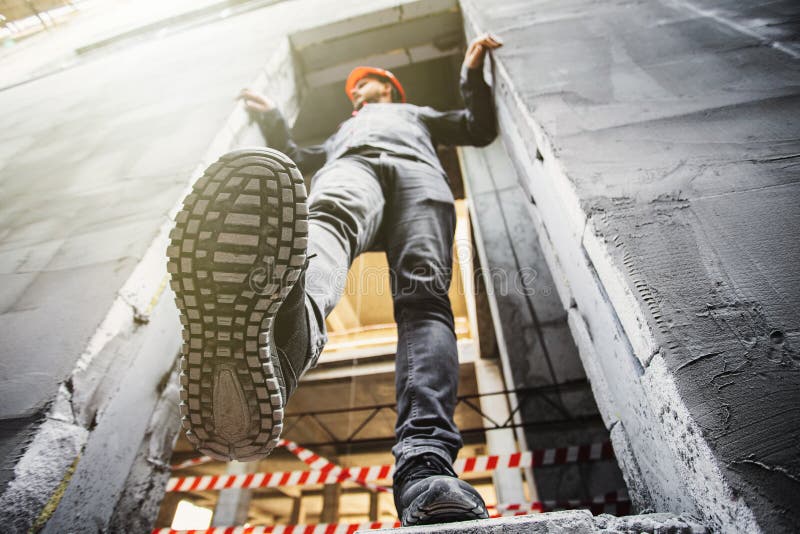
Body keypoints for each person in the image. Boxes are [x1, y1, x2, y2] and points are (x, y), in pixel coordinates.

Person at [168, 33, 503, 526]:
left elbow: (479, 127)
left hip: (419, 175)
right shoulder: (338, 135)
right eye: (355, 89)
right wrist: (271, 117)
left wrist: (471, 72)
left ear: (387, 89)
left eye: (364, 84)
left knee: (425, 300)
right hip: (350, 167)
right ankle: (280, 341)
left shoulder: (418, 115)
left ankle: (426, 464)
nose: (357, 92)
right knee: (324, 223)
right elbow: (294, 153)